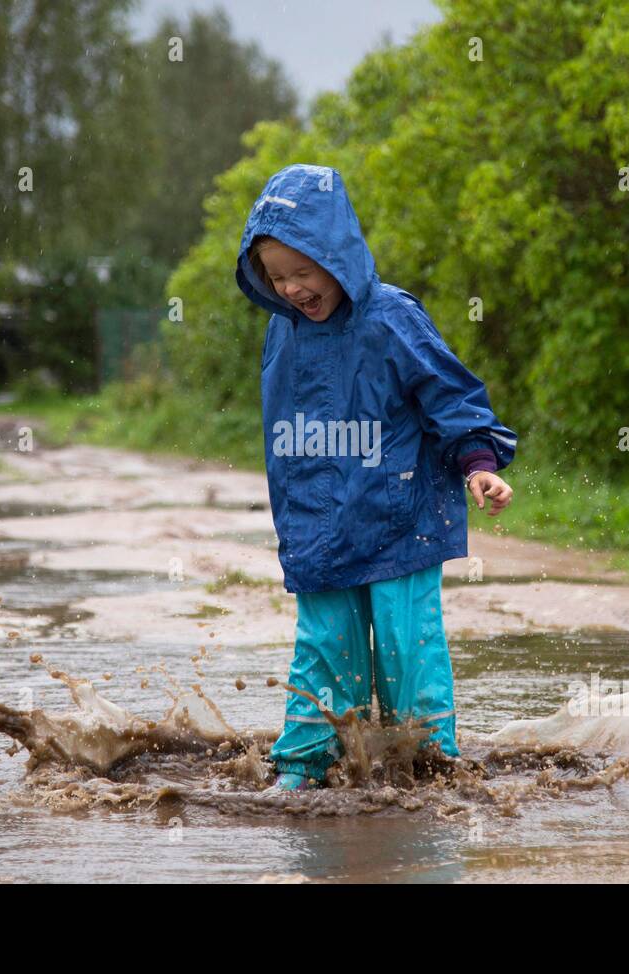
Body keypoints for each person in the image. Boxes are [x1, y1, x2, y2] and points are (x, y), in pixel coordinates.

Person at [234, 163, 516, 791]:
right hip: (319, 527)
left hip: (401, 521)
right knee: (324, 654)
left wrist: (478, 464)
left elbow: (449, 396)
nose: (292, 289)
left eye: (303, 272)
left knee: (406, 655)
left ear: (336, 256)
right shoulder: (281, 334)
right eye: (276, 277)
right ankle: (303, 772)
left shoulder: (391, 318)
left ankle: (430, 770)